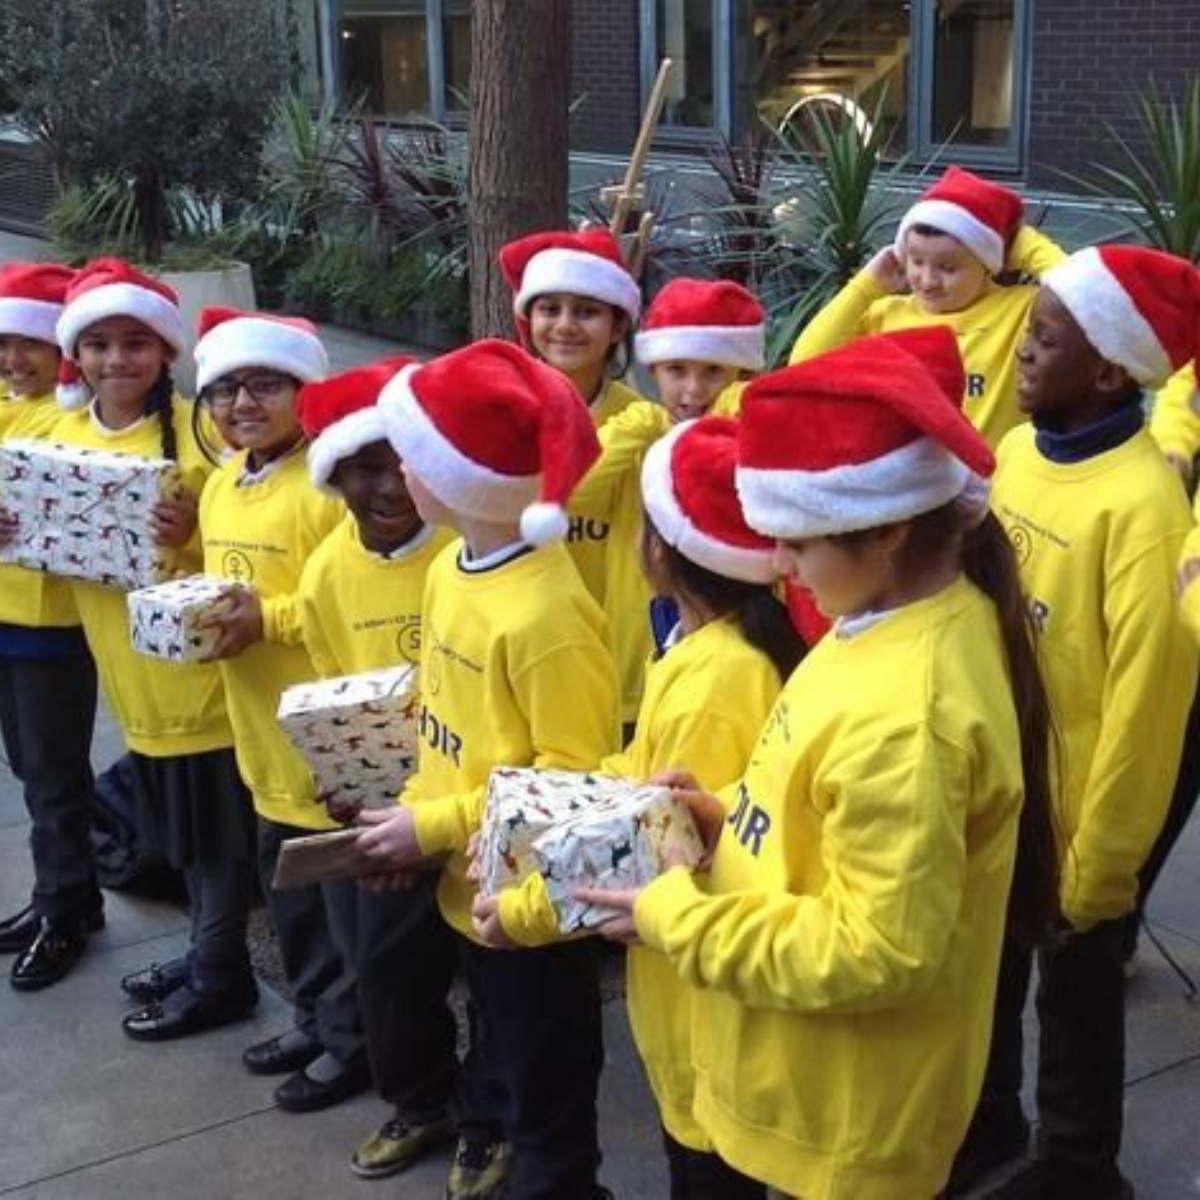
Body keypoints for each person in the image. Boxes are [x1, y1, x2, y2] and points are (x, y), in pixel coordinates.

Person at [584, 326, 1060, 1200]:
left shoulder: (911, 712)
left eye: (798, 543)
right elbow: (818, 798)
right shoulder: (878, 622)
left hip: (848, 1116)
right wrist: (726, 811)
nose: (779, 565)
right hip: (818, 1084)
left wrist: (677, 918)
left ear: (886, 531)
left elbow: (877, 951)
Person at [955, 246, 1200, 1200]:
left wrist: (1105, 864)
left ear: (1106, 372)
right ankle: (988, 1122)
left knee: (1077, 996)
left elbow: (1148, 710)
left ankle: (1079, 1164)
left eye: (1045, 338)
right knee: (989, 970)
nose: (1021, 349)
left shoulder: (1143, 508)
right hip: (1001, 784)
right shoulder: (1019, 454)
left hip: (1081, 815)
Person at [357, 340, 620, 1200]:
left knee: (546, 1082)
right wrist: (412, 817)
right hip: (456, 872)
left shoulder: (547, 614)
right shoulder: (449, 568)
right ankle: (480, 1129)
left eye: (412, 452)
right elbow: (443, 718)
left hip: (526, 903)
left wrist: (434, 824)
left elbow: (571, 778)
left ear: (462, 479)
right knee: (487, 1030)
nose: (399, 467)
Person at [4, 259, 259, 1028]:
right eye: (99, 345)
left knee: (213, 832)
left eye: (136, 343)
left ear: (165, 351)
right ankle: (208, 954)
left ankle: (222, 972)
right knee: (179, 831)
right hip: (129, 676)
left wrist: (192, 536)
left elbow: (250, 540)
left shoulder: (202, 433)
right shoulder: (62, 433)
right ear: (75, 354)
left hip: (199, 674)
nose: (117, 360)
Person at [596, 414, 803, 1199]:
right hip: (688, 971)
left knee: (707, 1169)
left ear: (666, 548)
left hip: (694, 987)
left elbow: (678, 851)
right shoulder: (706, 643)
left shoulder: (718, 679)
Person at [190, 307, 362, 1110]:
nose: (242, 404)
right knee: (288, 896)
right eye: (224, 389)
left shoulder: (326, 487)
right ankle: (314, 1018)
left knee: (337, 906)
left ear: (304, 391)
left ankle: (352, 1041)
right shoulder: (224, 482)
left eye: (265, 384)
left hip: (322, 737)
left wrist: (270, 619)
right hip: (255, 729)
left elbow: (347, 599)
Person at [293, 358, 460, 1179]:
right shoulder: (327, 572)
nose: (390, 486)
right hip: (387, 808)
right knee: (388, 967)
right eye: (365, 468)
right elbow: (335, 696)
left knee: (502, 978)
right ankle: (422, 1102)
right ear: (334, 476)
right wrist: (349, 791)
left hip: (474, 796)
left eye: (404, 463)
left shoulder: (466, 548)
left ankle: (496, 1116)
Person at [790, 165, 1065, 448]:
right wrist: (864, 287)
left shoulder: (1021, 310)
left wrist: (1023, 245)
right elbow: (804, 365)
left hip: (990, 474)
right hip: (903, 475)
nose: (928, 280)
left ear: (986, 264)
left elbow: (1082, 294)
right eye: (917, 261)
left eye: (948, 268)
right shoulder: (884, 315)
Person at [0, 263, 105, 986]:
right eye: (3, 344)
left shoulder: (73, 417)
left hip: (51, 624)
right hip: (4, 619)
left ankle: (63, 911)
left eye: (30, 344)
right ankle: (66, 896)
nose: (14, 359)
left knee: (53, 774)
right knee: (28, 767)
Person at [499, 228, 652, 727]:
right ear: (529, 319)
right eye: (550, 309)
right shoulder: (503, 408)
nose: (565, 325)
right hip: (518, 643)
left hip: (611, 648)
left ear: (618, 325)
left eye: (586, 311)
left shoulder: (639, 420)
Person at [571, 277, 768, 654]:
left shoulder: (744, 438)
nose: (693, 390)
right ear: (654, 371)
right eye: (676, 370)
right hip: (636, 649)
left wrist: (728, 416)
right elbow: (571, 491)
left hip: (733, 647)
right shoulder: (641, 435)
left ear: (740, 375)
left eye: (713, 371)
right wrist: (639, 426)